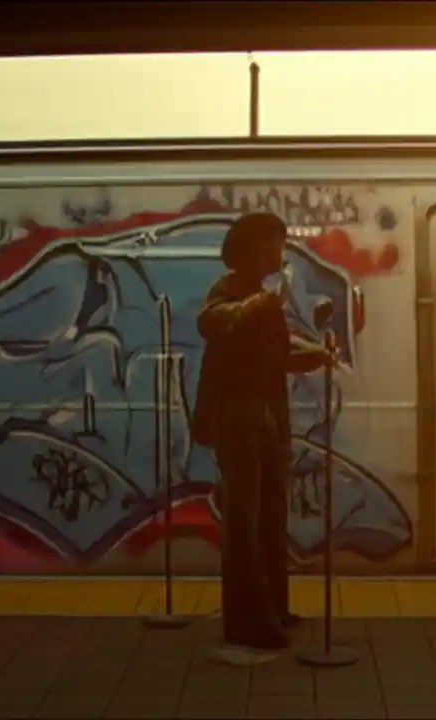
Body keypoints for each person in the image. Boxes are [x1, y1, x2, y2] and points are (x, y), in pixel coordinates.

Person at [192, 212, 332, 650]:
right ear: (250, 252)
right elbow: (212, 321)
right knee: (245, 520)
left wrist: (318, 356)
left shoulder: (259, 297)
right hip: (239, 416)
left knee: (272, 515)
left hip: (269, 415)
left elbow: (280, 355)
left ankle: (273, 606)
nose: (280, 253)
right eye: (273, 245)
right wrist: (262, 305)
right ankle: (247, 622)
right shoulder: (231, 290)